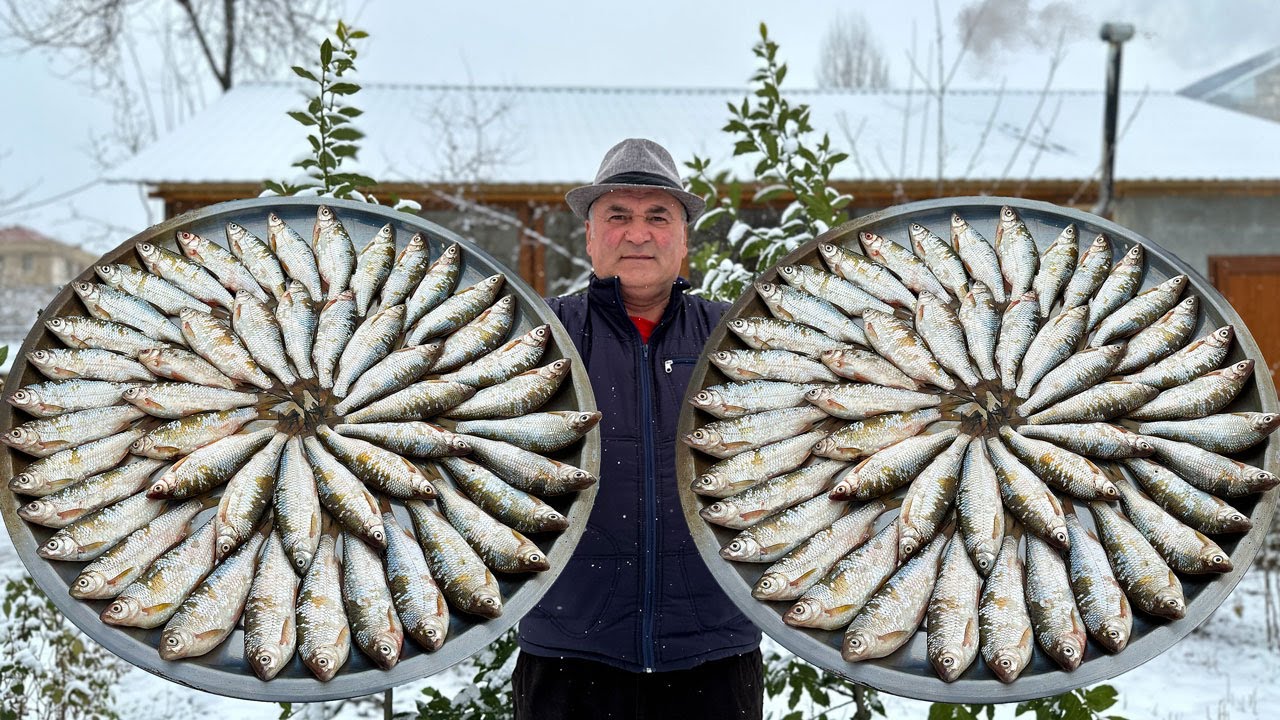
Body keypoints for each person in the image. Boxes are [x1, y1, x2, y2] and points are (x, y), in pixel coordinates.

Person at [513, 138, 763, 719]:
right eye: (618, 216)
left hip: (714, 658)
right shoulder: (539, 340)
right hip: (568, 657)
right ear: (590, 236)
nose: (638, 233)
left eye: (657, 217)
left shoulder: (738, 338)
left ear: (684, 238)